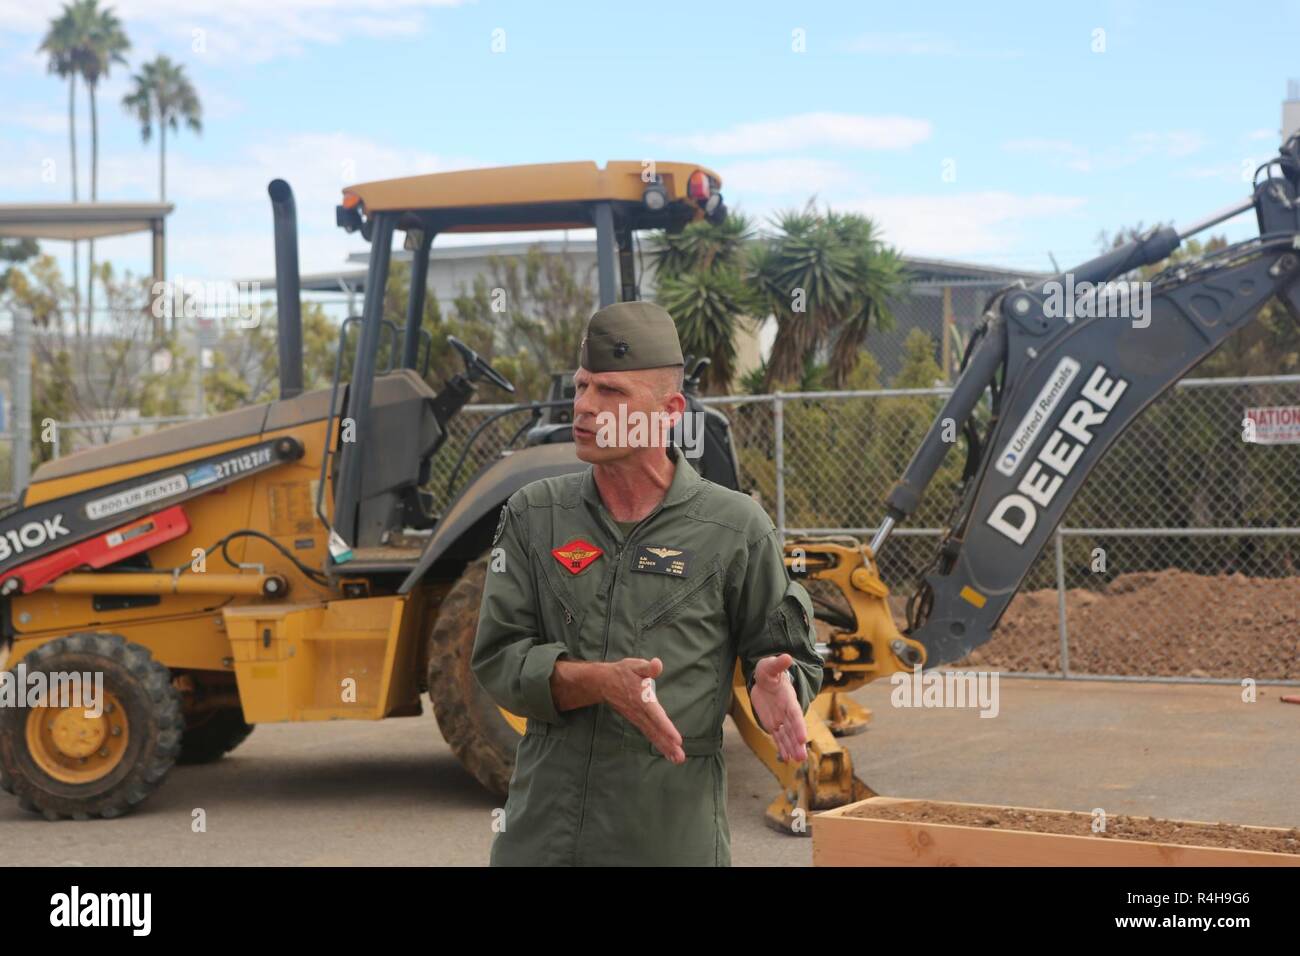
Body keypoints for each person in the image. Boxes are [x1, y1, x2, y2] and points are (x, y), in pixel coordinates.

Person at [471, 300, 823, 866]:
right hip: (542, 839)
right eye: (582, 386)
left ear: (668, 410)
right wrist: (595, 681)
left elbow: (790, 659)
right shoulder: (534, 514)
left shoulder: (735, 529)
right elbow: (497, 660)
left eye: (610, 393)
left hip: (668, 841)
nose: (583, 406)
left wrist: (773, 685)